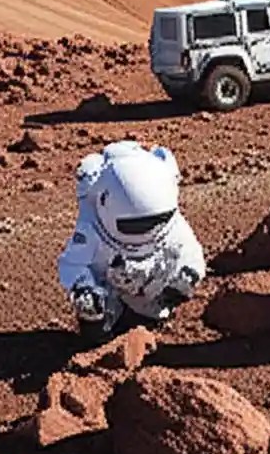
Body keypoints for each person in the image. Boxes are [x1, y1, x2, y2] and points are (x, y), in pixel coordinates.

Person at [57, 140, 206, 345]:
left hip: (153, 278)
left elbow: (189, 250)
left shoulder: (171, 225)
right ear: (102, 200)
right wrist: (83, 286)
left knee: (173, 287)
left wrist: (188, 274)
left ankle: (148, 317)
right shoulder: (91, 225)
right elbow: (74, 263)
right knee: (92, 310)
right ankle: (100, 333)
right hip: (108, 281)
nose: (145, 229)